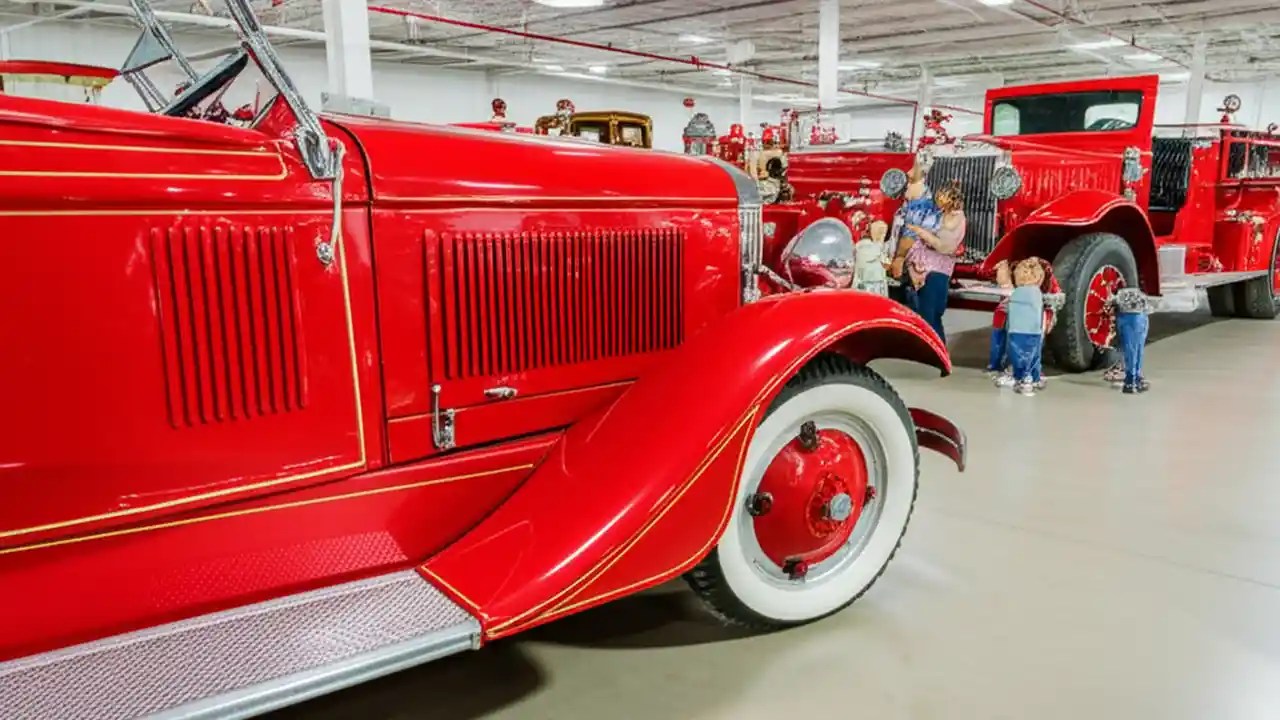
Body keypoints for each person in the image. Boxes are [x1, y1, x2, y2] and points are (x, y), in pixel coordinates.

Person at [901, 182, 966, 342]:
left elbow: (945, 246)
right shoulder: (935, 216)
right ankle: (935, 352)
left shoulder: (955, 218)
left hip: (937, 272)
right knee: (929, 316)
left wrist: (922, 232)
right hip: (928, 270)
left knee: (931, 316)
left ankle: (936, 352)